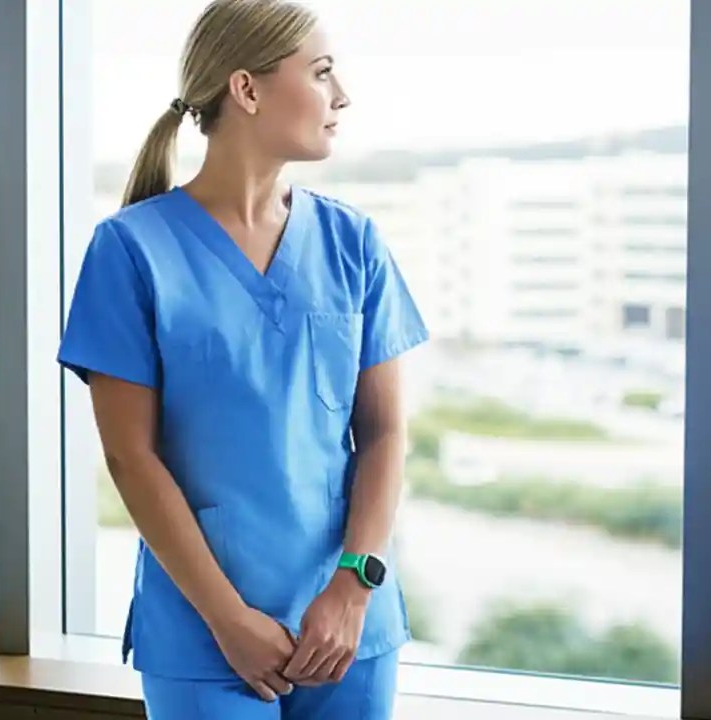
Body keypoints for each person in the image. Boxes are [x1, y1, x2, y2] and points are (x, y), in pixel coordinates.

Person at [56, 1, 428, 717]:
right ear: (246, 90)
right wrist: (227, 619)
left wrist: (352, 588)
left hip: (346, 628)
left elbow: (384, 434)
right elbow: (131, 459)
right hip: (203, 633)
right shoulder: (131, 250)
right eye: (320, 73)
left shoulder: (354, 243)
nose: (341, 95)